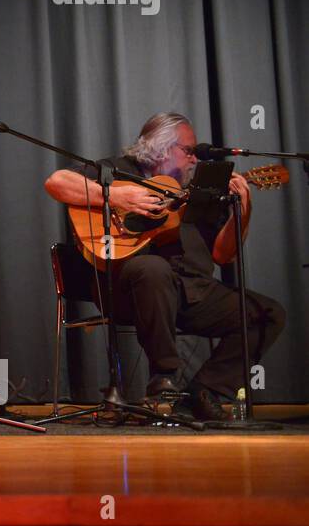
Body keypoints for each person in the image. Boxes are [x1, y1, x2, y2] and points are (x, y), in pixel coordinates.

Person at [43, 112, 285, 420]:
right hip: (126, 290)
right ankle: (164, 382)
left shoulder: (199, 191)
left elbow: (223, 256)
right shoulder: (119, 171)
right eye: (189, 150)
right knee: (152, 268)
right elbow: (56, 182)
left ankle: (204, 392)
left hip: (192, 291)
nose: (195, 159)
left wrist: (243, 210)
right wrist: (117, 195)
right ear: (160, 147)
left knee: (268, 314)